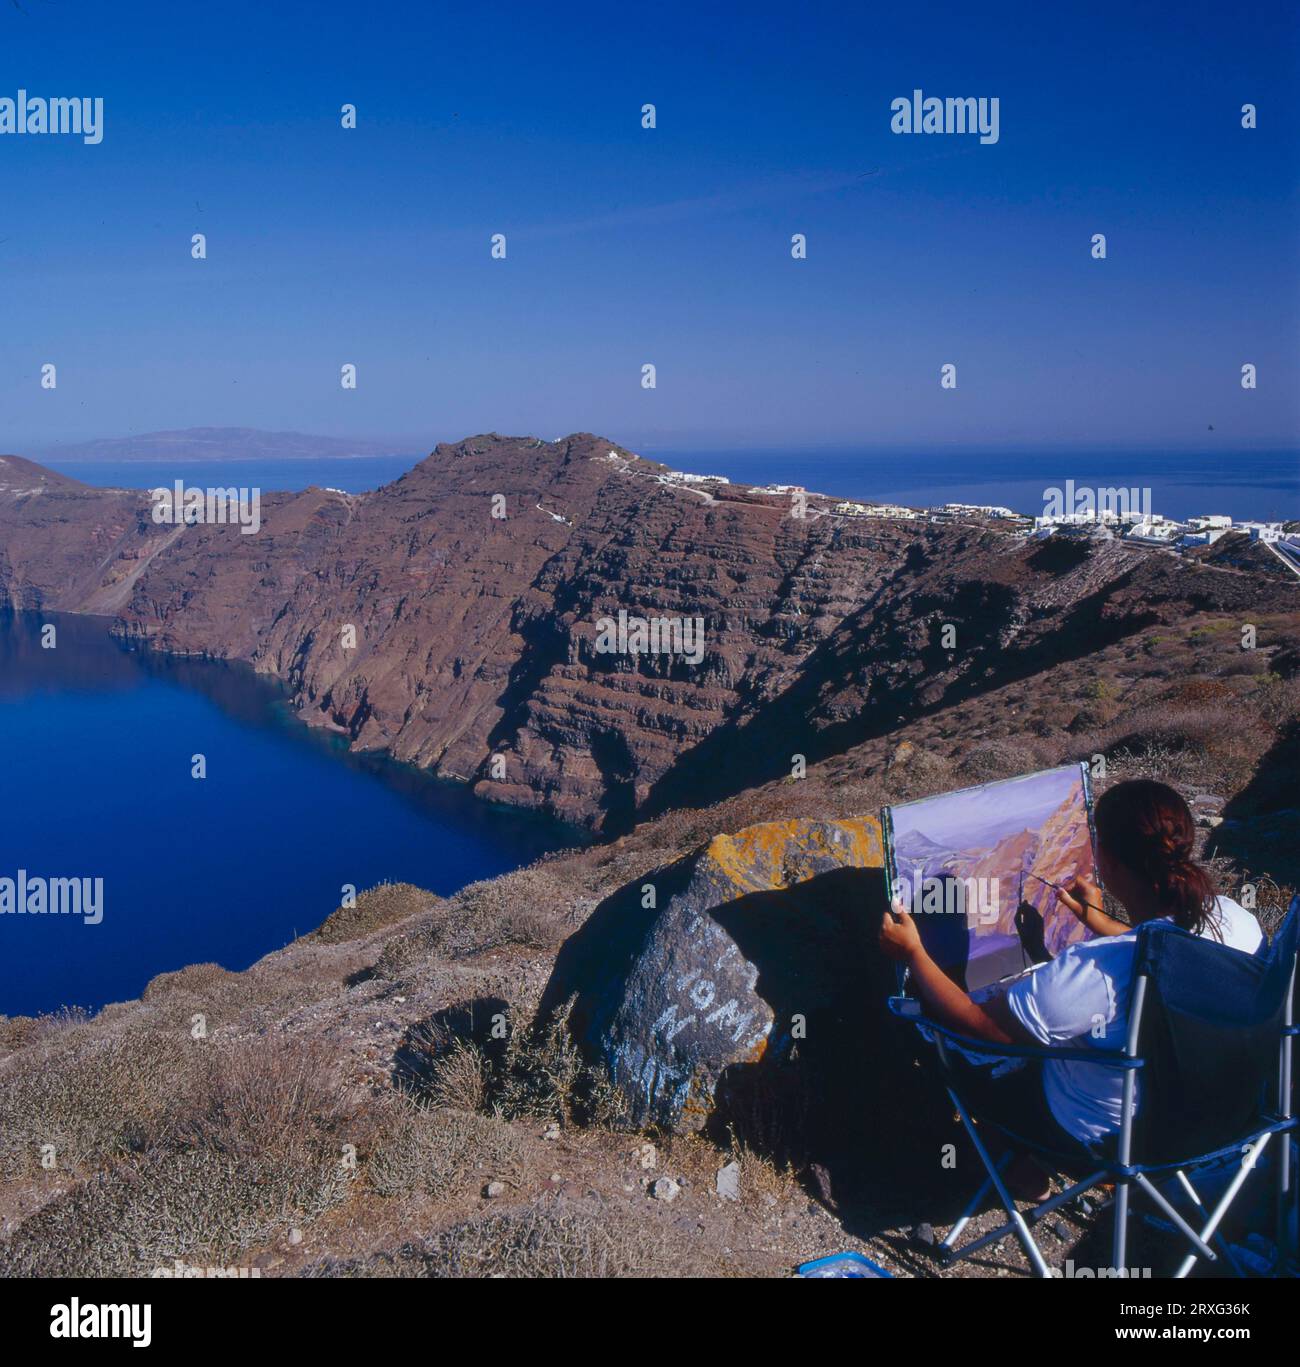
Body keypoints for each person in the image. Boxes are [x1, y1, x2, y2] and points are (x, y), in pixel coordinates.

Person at [879, 778, 1263, 1189]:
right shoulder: (1235, 920)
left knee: (943, 1044)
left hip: (1108, 1142)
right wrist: (1100, 923)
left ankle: (1004, 1164)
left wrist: (915, 954)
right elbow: (1169, 950)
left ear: (1107, 861)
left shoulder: (1099, 970)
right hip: (1219, 1125)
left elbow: (981, 1028)